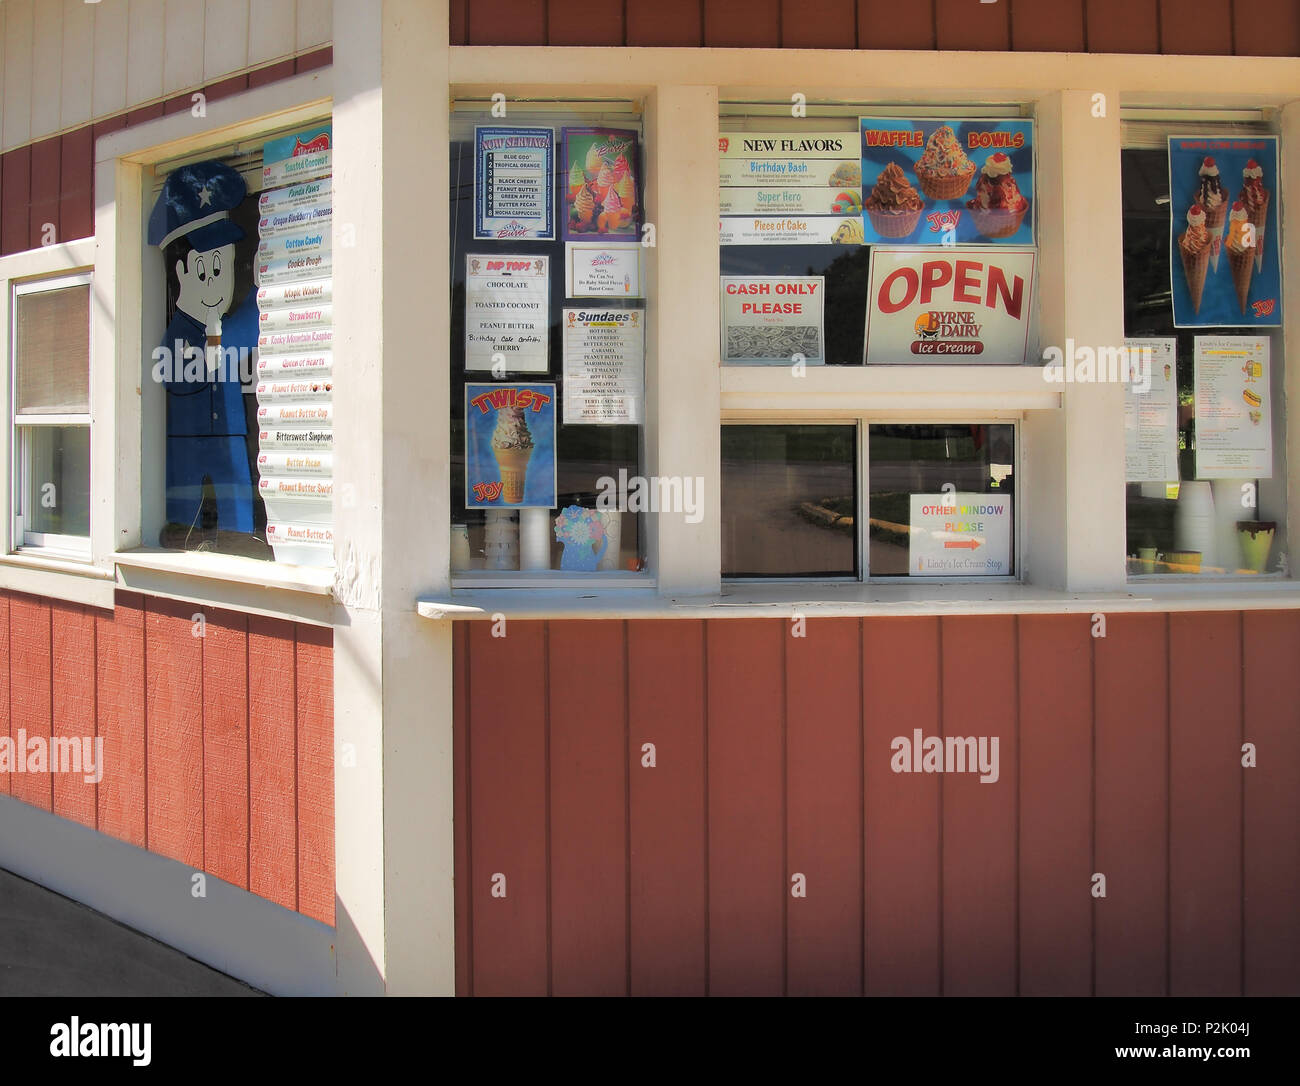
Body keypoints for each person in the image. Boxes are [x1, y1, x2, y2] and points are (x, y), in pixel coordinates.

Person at [148, 159, 259, 535]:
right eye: (204, 271)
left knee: (236, 503)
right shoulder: (179, 332)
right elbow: (179, 375)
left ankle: (241, 539)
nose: (214, 282)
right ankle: (182, 536)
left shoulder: (225, 325)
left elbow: (243, 334)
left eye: (221, 267)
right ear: (180, 273)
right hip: (186, 441)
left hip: (229, 437)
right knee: (186, 507)